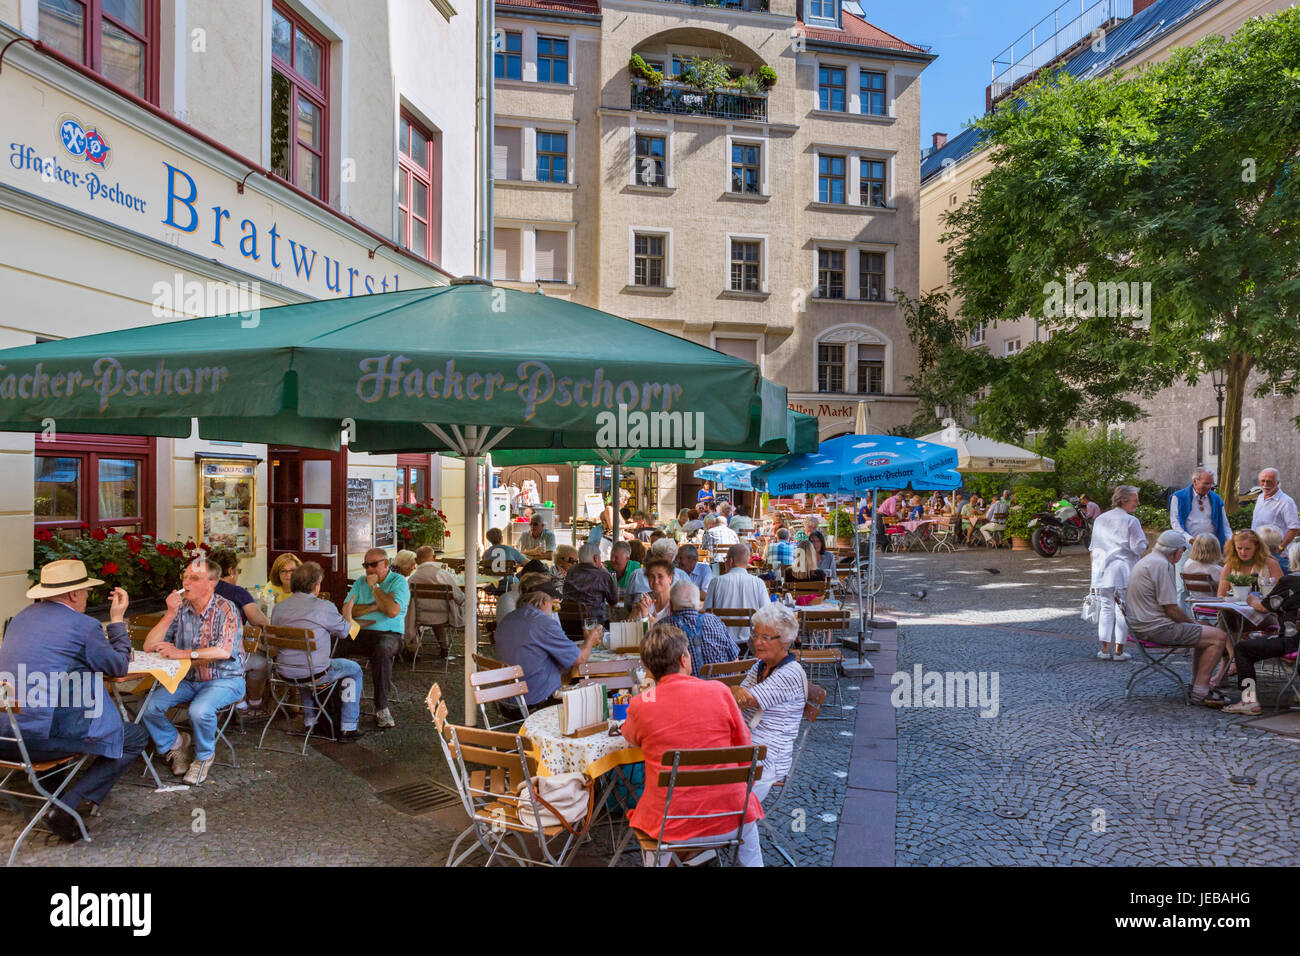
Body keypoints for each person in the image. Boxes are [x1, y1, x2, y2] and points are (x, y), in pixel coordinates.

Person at [0, 560, 144, 843]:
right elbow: (118, 667)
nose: (88, 598)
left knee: (60, 713)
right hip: (40, 742)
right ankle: (68, 807)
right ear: (73, 595)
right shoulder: (84, 626)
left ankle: (57, 798)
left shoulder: (19, 620)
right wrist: (117, 622)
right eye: (87, 592)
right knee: (135, 736)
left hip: (5, 738)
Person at [619, 623, 762, 866]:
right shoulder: (720, 691)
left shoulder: (642, 704)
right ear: (684, 659)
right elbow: (744, 747)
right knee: (749, 832)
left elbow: (630, 737)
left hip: (671, 824)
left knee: (654, 821)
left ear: (648, 669)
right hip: (731, 816)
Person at [140, 558, 246, 785]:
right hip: (188, 678)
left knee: (199, 711)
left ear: (212, 583)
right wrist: (169, 614)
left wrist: (183, 653)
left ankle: (204, 757)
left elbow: (223, 650)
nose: (186, 583)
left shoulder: (226, 609)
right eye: (185, 577)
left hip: (225, 678)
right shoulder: (181, 610)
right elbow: (149, 646)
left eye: (194, 578)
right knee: (148, 708)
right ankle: (177, 744)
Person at [731, 602, 805, 867]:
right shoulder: (761, 665)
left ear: (784, 641)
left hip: (768, 760)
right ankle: (697, 851)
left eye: (765, 637)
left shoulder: (790, 673)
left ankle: (696, 847)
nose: (757, 642)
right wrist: (737, 694)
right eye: (755, 635)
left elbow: (744, 698)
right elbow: (736, 695)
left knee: (734, 803)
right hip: (748, 750)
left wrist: (738, 695)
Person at [1126, 530, 1230, 706]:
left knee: (1205, 635)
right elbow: (1172, 610)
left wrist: (1195, 627)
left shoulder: (1148, 561)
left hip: (1141, 626)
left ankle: (1197, 684)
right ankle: (1201, 690)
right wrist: (1193, 624)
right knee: (1219, 637)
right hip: (1157, 628)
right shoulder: (1162, 566)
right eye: (1182, 550)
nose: (1183, 554)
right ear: (1176, 551)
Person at [270, 561, 366, 741]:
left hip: (284, 671)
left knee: (306, 664)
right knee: (354, 670)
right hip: (314, 673)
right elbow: (344, 633)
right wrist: (347, 612)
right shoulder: (324, 606)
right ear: (316, 586)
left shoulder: (279, 607)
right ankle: (349, 726)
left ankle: (310, 722)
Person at [494, 573, 602, 716]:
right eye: (552, 601)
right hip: (534, 702)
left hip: (506, 701)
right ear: (544, 601)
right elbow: (580, 659)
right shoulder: (542, 623)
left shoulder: (508, 619)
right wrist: (590, 640)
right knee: (595, 697)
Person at [339, 548, 411, 729]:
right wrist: (376, 606)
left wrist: (375, 587)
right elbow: (347, 609)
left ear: (386, 564)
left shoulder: (398, 581)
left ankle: (381, 707)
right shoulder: (360, 582)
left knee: (382, 651)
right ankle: (332, 701)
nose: (369, 569)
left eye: (374, 564)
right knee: (334, 644)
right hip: (360, 631)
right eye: (366, 565)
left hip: (389, 633)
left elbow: (392, 611)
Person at [1088, 485, 1147, 660]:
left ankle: (1105, 649)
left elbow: (1093, 547)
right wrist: (1146, 544)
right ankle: (1119, 651)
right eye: (1135, 499)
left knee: (1106, 607)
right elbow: (1137, 547)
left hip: (1103, 569)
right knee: (1122, 609)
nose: (1137, 503)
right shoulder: (1131, 521)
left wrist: (1093, 574)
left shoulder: (1100, 519)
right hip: (1123, 568)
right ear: (1124, 500)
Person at [209, 548, 270, 716]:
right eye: (237, 571)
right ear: (230, 571)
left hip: (201, 657)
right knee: (261, 663)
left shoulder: (202, 589)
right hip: (227, 657)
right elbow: (260, 621)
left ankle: (239, 702)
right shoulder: (237, 592)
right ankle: (251, 704)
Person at [704, 544, 771, 648]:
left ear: (731, 561)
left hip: (720, 645)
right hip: (749, 647)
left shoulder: (715, 582)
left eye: (725, 559)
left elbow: (706, 614)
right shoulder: (758, 583)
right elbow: (767, 614)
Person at [665, 582, 737, 675]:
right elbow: (735, 663)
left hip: (686, 688)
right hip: (721, 687)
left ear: (670, 605)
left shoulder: (663, 627)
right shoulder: (715, 621)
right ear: (698, 602)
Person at [405, 545, 464, 657]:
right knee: (468, 607)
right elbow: (458, 597)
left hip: (419, 617)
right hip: (445, 616)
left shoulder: (412, 579)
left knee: (432, 612)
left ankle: (416, 647)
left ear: (416, 561)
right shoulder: (442, 574)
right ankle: (450, 647)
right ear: (434, 557)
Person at [1217, 529, 1282, 598]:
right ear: (1234, 548)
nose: (1243, 552)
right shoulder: (1229, 565)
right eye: (1239, 548)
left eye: (1247, 549)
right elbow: (1221, 595)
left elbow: (1282, 591)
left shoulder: (1271, 564)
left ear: (1256, 547)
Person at [563, 543, 619, 622]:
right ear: (596, 558)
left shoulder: (572, 570)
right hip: (593, 623)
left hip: (569, 621)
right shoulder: (603, 574)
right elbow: (613, 601)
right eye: (600, 556)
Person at [1251, 468, 1300, 557]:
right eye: (1263, 481)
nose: (1265, 484)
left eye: (1269, 481)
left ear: (1277, 482)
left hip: (1276, 554)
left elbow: (1294, 528)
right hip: (1258, 551)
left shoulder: (1286, 502)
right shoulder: (1260, 497)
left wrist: (1280, 548)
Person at [627, 538, 692, 597]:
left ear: (653, 554)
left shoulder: (636, 574)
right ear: (673, 558)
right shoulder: (682, 576)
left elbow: (628, 604)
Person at [632, 558, 677, 624]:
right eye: (652, 576)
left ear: (670, 578)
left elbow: (673, 630)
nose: (655, 581)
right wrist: (637, 610)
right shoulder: (646, 600)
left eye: (660, 576)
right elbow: (627, 623)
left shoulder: (677, 603)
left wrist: (647, 616)